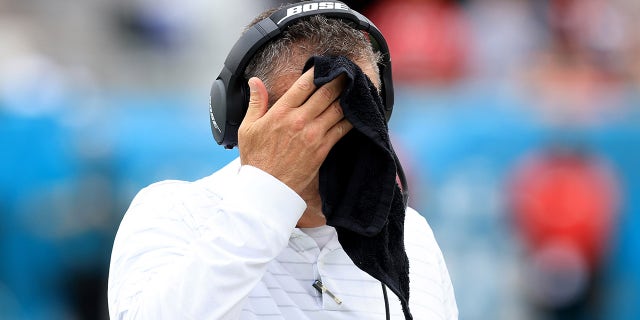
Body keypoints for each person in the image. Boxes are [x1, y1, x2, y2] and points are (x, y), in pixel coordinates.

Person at [107, 1, 457, 319]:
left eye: (362, 114)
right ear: (246, 115)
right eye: (310, 116)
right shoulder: (174, 211)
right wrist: (267, 189)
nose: (341, 139)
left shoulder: (411, 235)